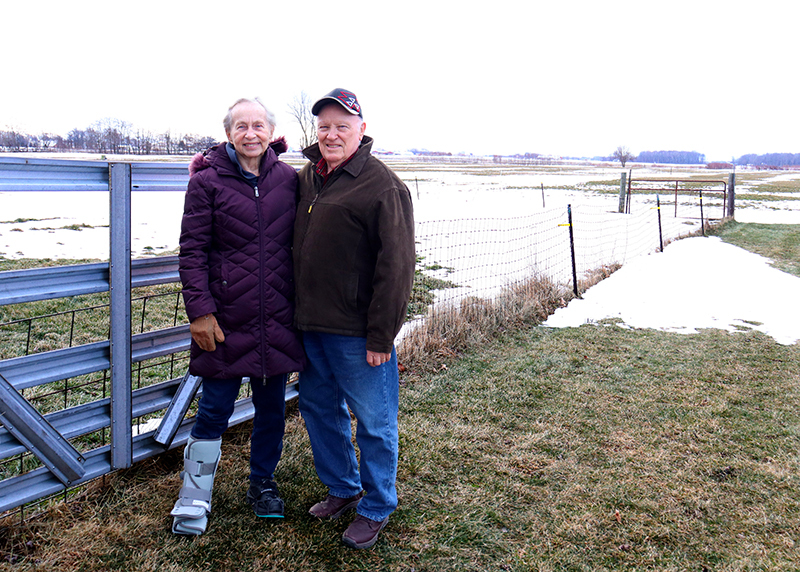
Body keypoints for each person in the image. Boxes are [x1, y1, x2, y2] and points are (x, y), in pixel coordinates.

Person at [171, 97, 305, 535]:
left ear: (271, 132)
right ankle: (194, 493)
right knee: (213, 410)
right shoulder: (207, 182)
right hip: (226, 320)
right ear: (229, 133)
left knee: (270, 409)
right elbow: (192, 252)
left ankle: (262, 484)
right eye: (241, 126)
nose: (251, 133)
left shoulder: (290, 180)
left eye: (259, 125)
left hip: (277, 320)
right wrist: (200, 312)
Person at [293, 88, 416, 549]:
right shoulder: (309, 177)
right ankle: (343, 488)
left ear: (361, 130)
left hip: (358, 334)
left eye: (342, 126)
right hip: (310, 328)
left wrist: (381, 335)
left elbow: (397, 267)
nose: (331, 134)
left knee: (374, 420)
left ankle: (378, 503)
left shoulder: (383, 186)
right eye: (324, 126)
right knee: (320, 411)